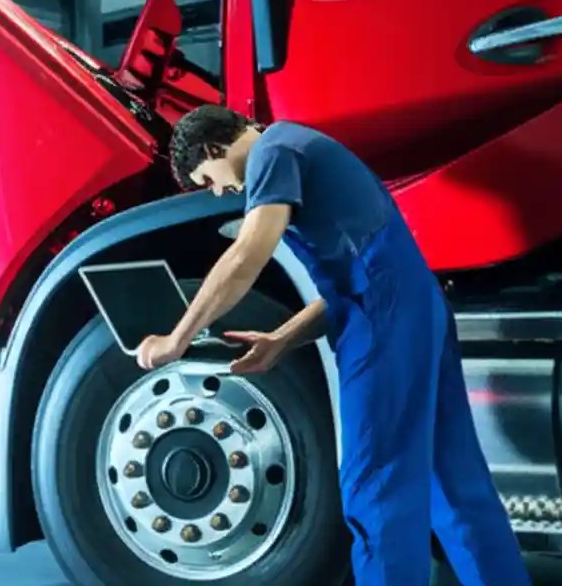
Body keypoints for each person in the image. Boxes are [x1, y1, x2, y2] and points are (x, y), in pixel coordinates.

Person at [136, 106, 531, 586]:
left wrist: (176, 339)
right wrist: (282, 339)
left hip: (383, 322)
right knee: (454, 483)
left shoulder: (272, 153)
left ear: (212, 149)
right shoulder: (298, 145)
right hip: (413, 309)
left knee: (377, 492)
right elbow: (361, 277)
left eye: (209, 179)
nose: (222, 191)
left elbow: (247, 255)